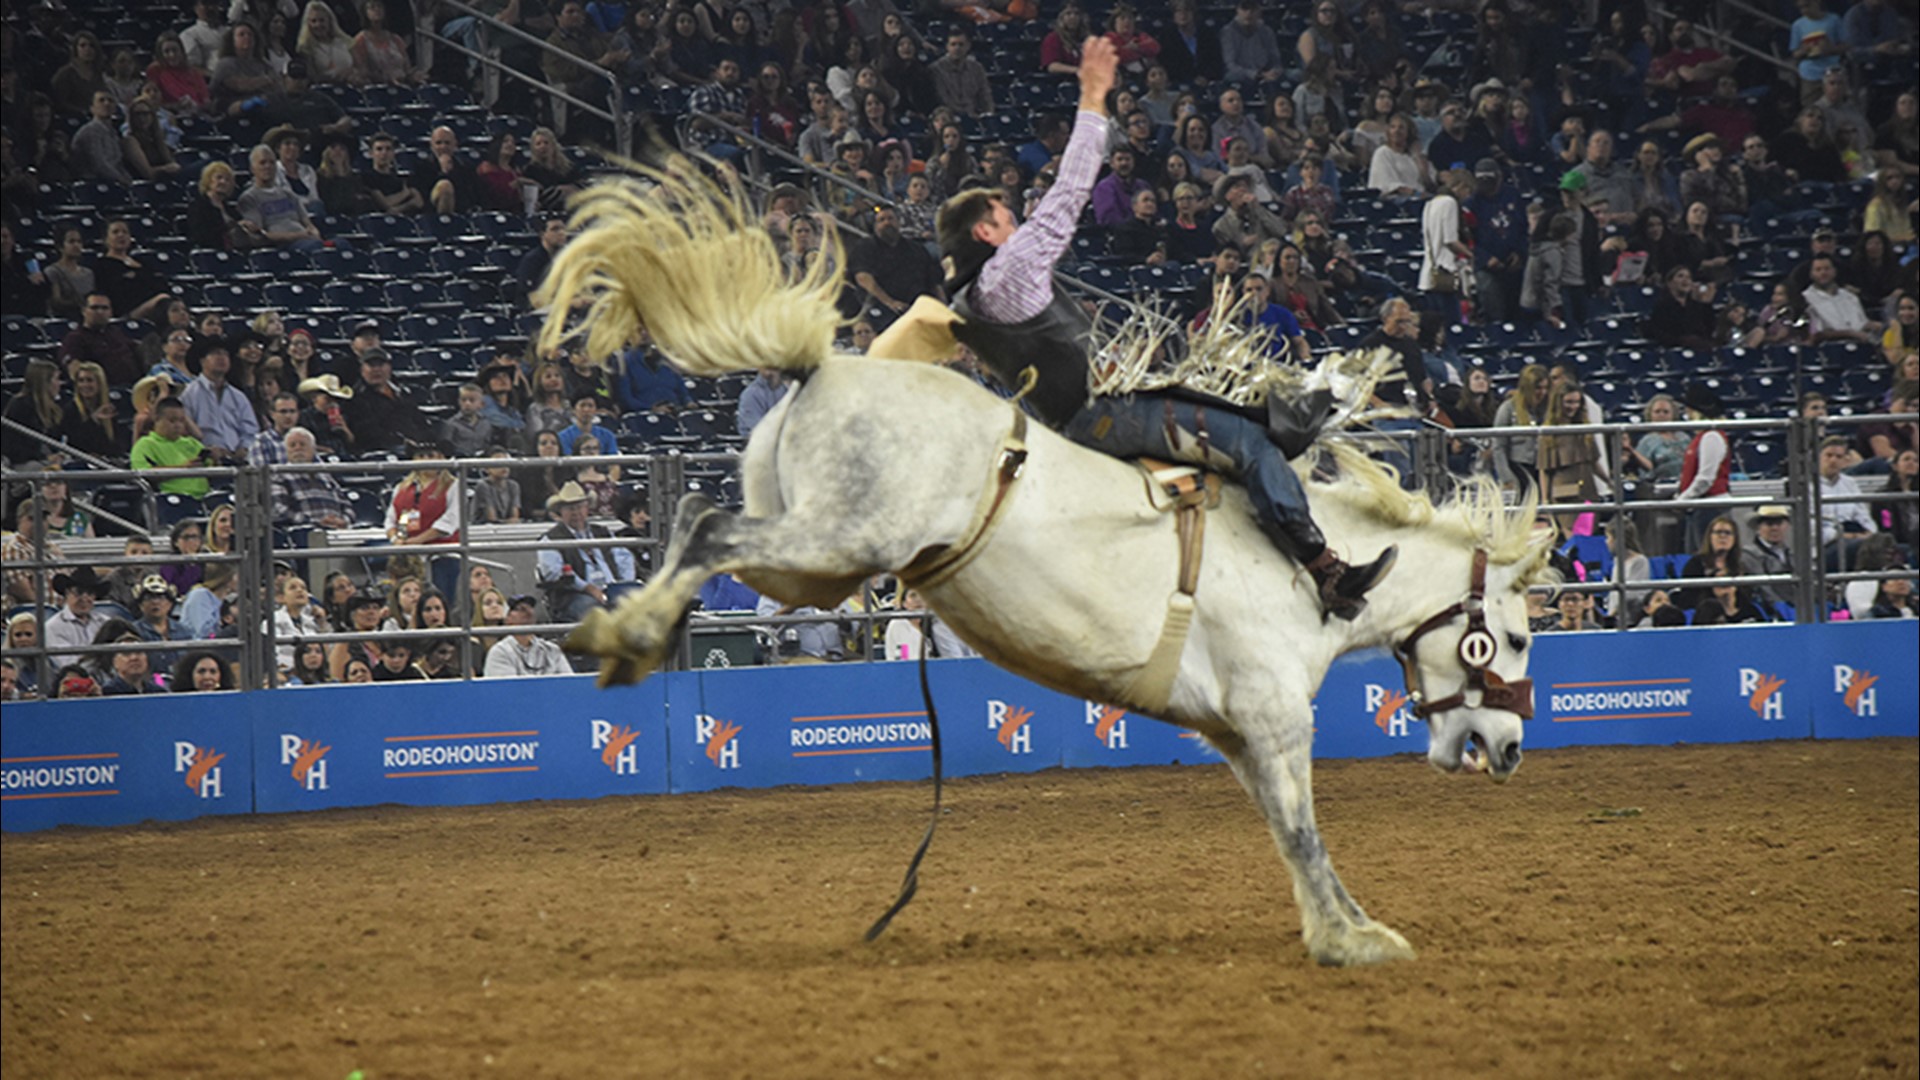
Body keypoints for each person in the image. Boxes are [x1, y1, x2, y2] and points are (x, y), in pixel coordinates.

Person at [935, 36, 1393, 620]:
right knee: (1253, 441)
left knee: (1249, 413)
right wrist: (1093, 95)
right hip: (1103, 410)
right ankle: (1327, 571)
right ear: (984, 233)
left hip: (1092, 410)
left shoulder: (971, 297)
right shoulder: (1006, 273)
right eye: (1005, 217)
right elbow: (1070, 192)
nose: (1017, 220)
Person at [536, 481, 637, 624]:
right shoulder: (550, 539)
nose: (576, 512)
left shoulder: (603, 532)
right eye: (570, 508)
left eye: (579, 507)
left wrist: (623, 584)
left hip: (612, 588)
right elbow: (553, 573)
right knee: (593, 610)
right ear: (561, 511)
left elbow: (624, 558)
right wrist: (588, 588)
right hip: (575, 595)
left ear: (587, 508)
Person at [850, 204, 944, 317]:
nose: (887, 223)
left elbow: (934, 280)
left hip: (919, 306)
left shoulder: (916, 248)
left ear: (899, 223)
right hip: (881, 308)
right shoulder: (865, 247)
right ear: (875, 226)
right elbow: (863, 278)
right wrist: (890, 302)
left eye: (891, 218)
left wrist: (943, 306)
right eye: (881, 220)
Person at [180, 338, 260, 462]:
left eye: (225, 354)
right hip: (204, 461)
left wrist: (244, 448)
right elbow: (184, 431)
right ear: (202, 361)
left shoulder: (238, 396)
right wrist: (206, 450)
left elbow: (250, 430)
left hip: (237, 462)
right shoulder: (189, 393)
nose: (222, 358)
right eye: (215, 353)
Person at [271, 426, 352, 529]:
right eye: (292, 445)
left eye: (302, 444)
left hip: (338, 530)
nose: (298, 448)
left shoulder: (325, 476)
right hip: (303, 533)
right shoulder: (279, 475)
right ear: (286, 451)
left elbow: (346, 504)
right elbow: (279, 510)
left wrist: (344, 521)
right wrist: (316, 523)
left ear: (313, 450)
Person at [131, 398, 212, 498]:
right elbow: (143, 474)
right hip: (171, 498)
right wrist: (184, 469)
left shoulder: (192, 443)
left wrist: (216, 457)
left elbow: (213, 468)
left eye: (181, 420)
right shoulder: (145, 445)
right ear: (157, 419)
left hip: (206, 497)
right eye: (172, 421)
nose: (178, 425)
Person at [484, 594, 571, 676]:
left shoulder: (552, 649)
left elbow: (569, 684)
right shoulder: (500, 652)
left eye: (530, 607)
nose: (528, 611)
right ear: (507, 618)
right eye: (520, 609)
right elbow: (505, 688)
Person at [45, 566, 114, 668]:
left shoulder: (105, 622)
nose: (84, 598)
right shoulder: (53, 627)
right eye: (79, 592)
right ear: (67, 593)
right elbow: (68, 664)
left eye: (90, 593)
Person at [129, 573, 193, 672]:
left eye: (161, 597)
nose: (155, 602)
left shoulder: (185, 632)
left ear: (170, 604)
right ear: (141, 605)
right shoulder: (133, 632)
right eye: (149, 598)